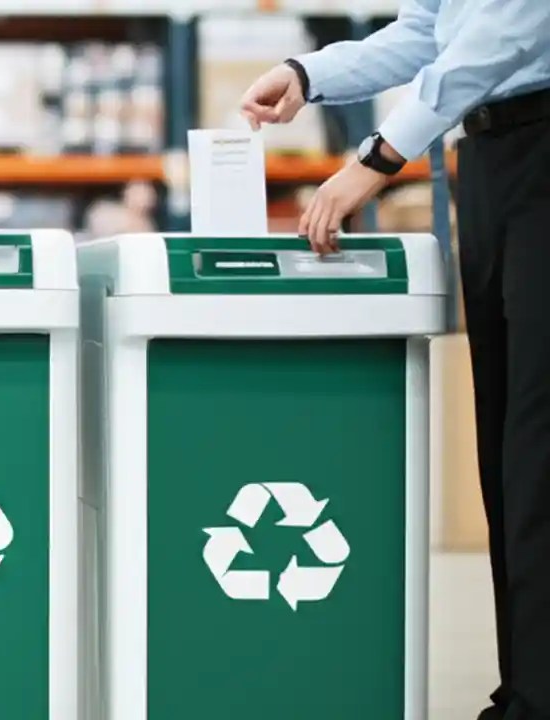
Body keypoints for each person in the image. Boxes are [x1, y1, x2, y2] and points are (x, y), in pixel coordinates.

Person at [239, 2, 550, 718]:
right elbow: (428, 32)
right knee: (505, 446)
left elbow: (502, 40)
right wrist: (306, 73)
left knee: (538, 443)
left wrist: (378, 158)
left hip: (543, 150)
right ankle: (528, 688)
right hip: (488, 159)